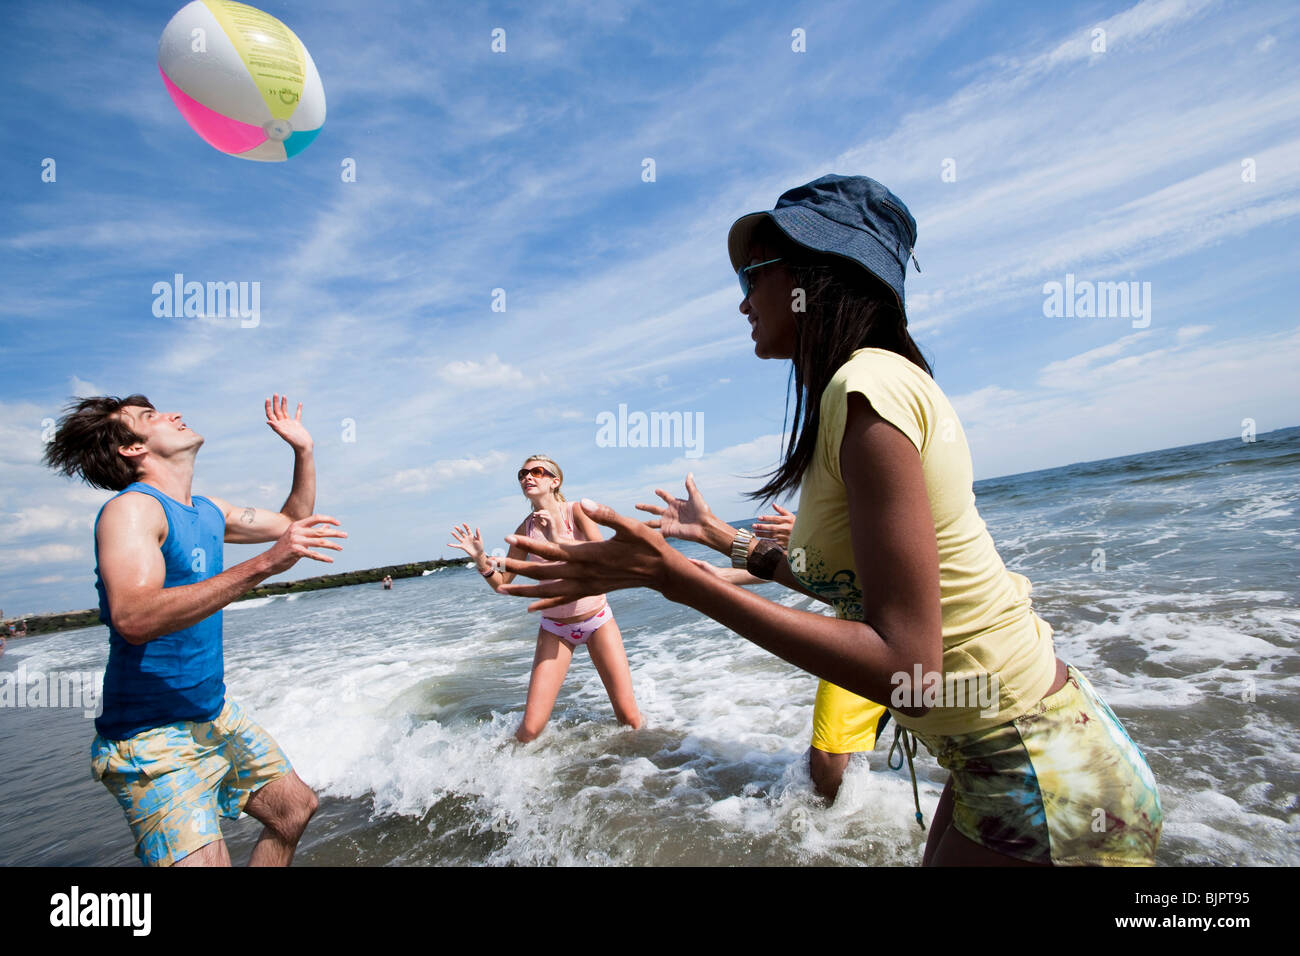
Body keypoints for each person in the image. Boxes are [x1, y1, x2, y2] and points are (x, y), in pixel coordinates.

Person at [497, 175, 1163, 866]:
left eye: (754, 273)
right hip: (1005, 756)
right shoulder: (865, 390)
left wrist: (677, 582)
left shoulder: (867, 390)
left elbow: (911, 666)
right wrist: (726, 540)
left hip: (1046, 773)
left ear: (816, 279)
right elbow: (859, 588)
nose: (742, 299)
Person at [43, 393, 345, 867]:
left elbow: (290, 522)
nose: (174, 414)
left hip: (211, 712)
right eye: (151, 417)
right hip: (150, 737)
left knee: (293, 808)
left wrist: (303, 451)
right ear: (131, 449)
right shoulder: (133, 511)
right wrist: (266, 563)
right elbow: (134, 618)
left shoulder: (208, 509)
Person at [698, 503, 891, 801]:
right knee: (827, 756)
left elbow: (877, 549)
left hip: (898, 627)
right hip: (867, 626)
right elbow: (824, 570)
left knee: (967, 745)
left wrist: (818, 539)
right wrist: (728, 576)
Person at [449, 454, 643, 743]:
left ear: (555, 481)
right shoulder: (524, 530)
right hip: (555, 629)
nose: (528, 477)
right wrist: (481, 560)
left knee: (629, 717)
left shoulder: (576, 512)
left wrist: (558, 538)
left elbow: (604, 560)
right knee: (530, 729)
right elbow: (502, 582)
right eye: (522, 473)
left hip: (597, 620)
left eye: (537, 472)